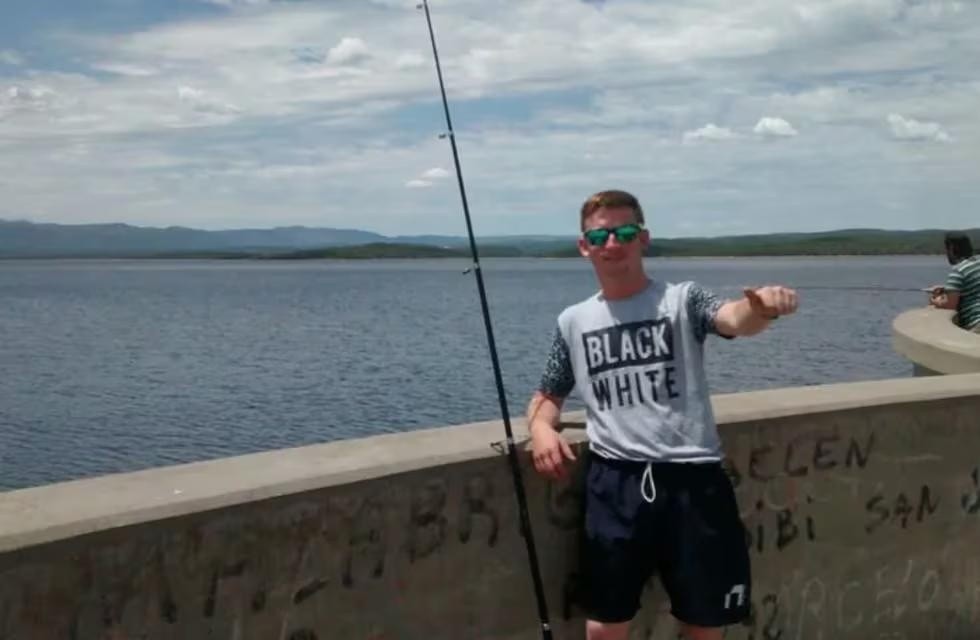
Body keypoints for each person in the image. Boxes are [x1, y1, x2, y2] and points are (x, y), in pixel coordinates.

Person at [525, 190, 799, 640]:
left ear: (644, 238)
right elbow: (548, 393)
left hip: (693, 480)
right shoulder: (573, 321)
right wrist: (539, 428)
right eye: (600, 235)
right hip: (615, 485)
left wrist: (759, 307)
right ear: (584, 245)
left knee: (705, 623)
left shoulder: (682, 300)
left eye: (625, 232)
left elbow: (731, 318)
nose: (613, 243)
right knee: (605, 626)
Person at [929, 232, 980, 333]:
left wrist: (934, 299)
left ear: (952, 248)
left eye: (947, 249)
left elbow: (949, 306)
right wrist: (948, 289)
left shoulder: (958, 271)